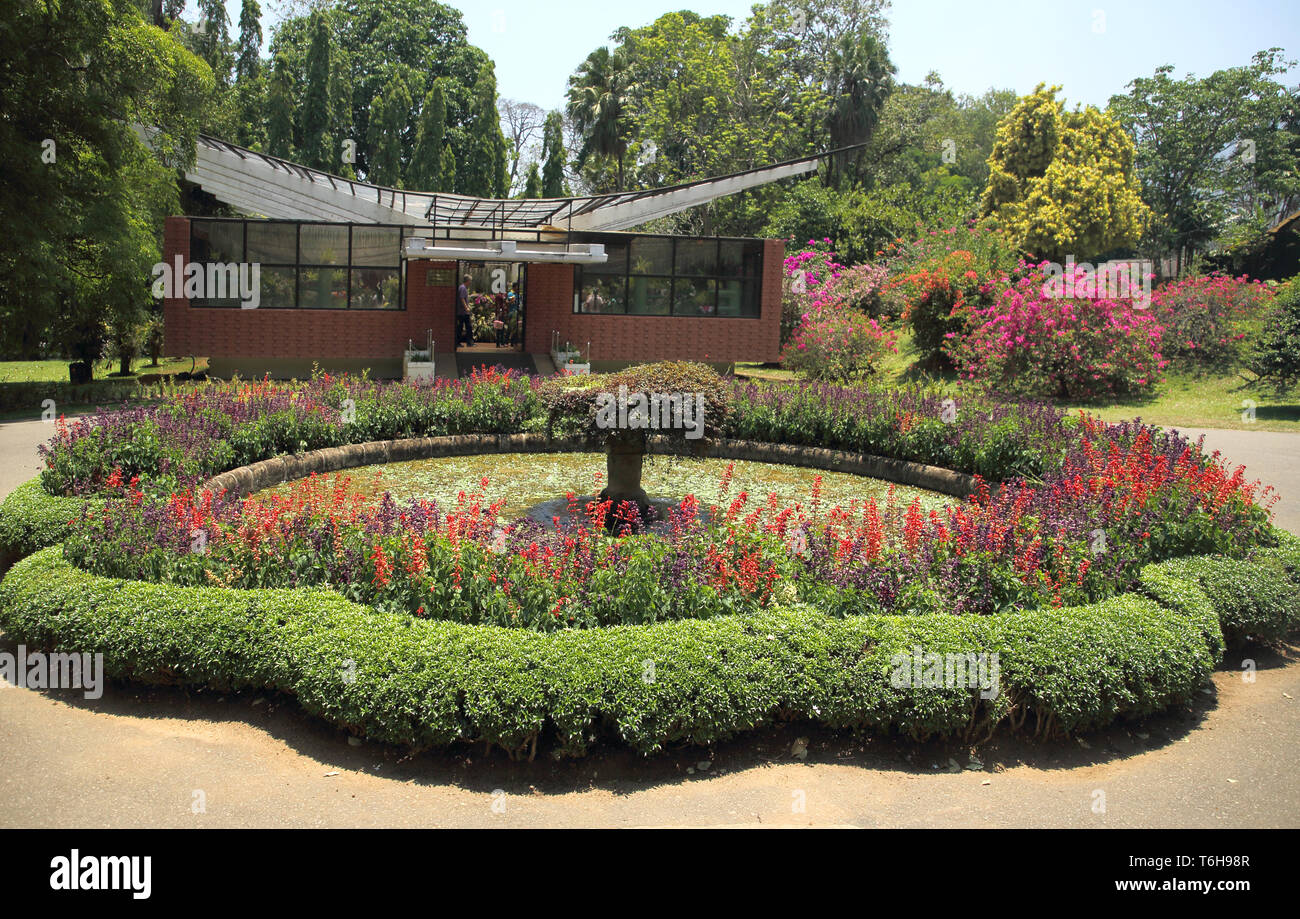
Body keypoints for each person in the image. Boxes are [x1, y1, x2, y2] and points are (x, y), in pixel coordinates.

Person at [455, 275, 473, 347]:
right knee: (464, 327)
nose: (470, 283)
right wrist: (466, 308)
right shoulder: (463, 288)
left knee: (466, 326)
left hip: (463, 312)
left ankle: (468, 342)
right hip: (462, 312)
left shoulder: (463, 288)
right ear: (467, 281)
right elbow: (462, 298)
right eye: (470, 281)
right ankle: (462, 342)